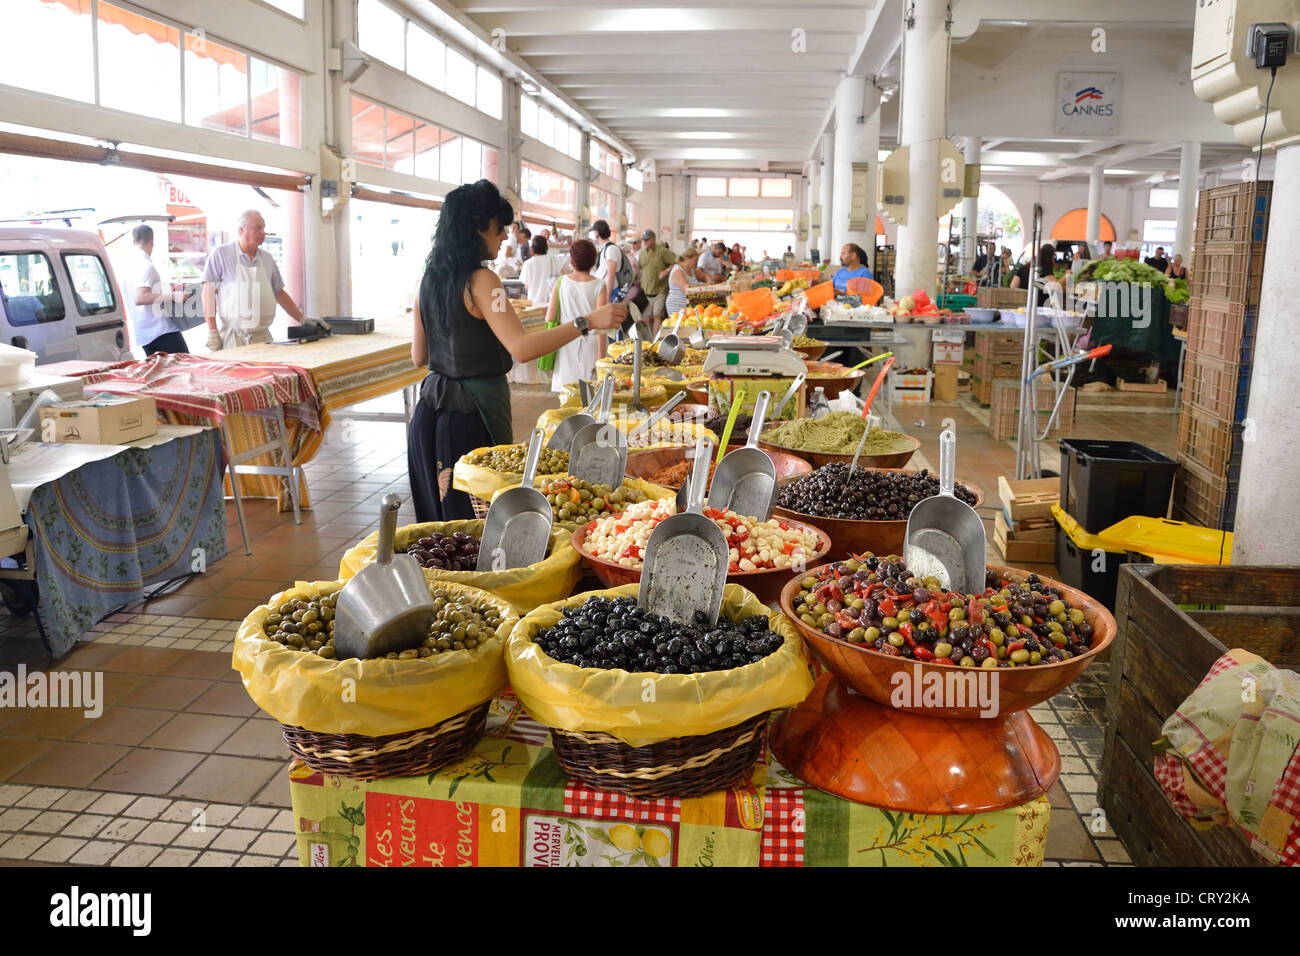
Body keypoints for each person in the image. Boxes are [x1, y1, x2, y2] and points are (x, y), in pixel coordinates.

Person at [408, 180, 626, 521]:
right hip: (471, 412)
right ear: (475, 229)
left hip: (430, 410)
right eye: (497, 230)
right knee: (476, 517)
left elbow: (418, 356)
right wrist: (586, 321)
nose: (502, 238)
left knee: (439, 521)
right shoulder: (482, 280)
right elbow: (522, 349)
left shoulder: (427, 277)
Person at [202, 209, 304, 350]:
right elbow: (208, 294)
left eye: (263, 227)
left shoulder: (267, 259)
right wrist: (212, 330)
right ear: (241, 230)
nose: (263, 232)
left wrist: (302, 319)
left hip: (263, 339)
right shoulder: (221, 254)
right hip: (234, 339)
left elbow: (279, 293)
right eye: (258, 228)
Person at [548, 240, 608, 395]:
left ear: (571, 260)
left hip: (566, 341)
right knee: (590, 396)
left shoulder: (561, 282)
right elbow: (601, 325)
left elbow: (550, 317)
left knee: (568, 395)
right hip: (591, 342)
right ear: (593, 261)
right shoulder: (599, 285)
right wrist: (601, 357)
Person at [127, 224, 190, 356]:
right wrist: (172, 296)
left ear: (134, 241)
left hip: (145, 334)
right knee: (184, 369)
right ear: (152, 241)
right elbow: (140, 298)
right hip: (160, 331)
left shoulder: (128, 267)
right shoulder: (145, 265)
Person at [638, 229, 677, 327]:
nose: (645, 242)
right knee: (645, 318)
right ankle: (646, 340)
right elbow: (641, 268)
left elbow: (676, 262)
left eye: (647, 240)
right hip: (646, 291)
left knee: (657, 316)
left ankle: (655, 340)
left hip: (660, 290)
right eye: (644, 240)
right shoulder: (642, 253)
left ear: (654, 240)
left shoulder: (662, 251)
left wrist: (666, 271)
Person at [589, 218, 633, 302]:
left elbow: (611, 275)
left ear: (597, 233)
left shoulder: (610, 249)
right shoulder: (605, 248)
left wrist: (607, 297)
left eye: (594, 231)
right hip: (604, 290)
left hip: (609, 292)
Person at [519, 234, 562, 305]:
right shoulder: (554, 259)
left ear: (532, 248)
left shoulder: (527, 263)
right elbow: (562, 276)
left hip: (533, 303)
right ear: (546, 247)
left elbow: (527, 286)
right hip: (551, 302)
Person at [665, 244, 700, 317]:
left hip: (687, 306)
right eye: (695, 260)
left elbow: (701, 279)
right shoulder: (677, 271)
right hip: (676, 305)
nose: (696, 262)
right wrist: (705, 289)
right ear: (687, 259)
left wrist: (709, 285)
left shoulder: (691, 270)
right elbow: (688, 290)